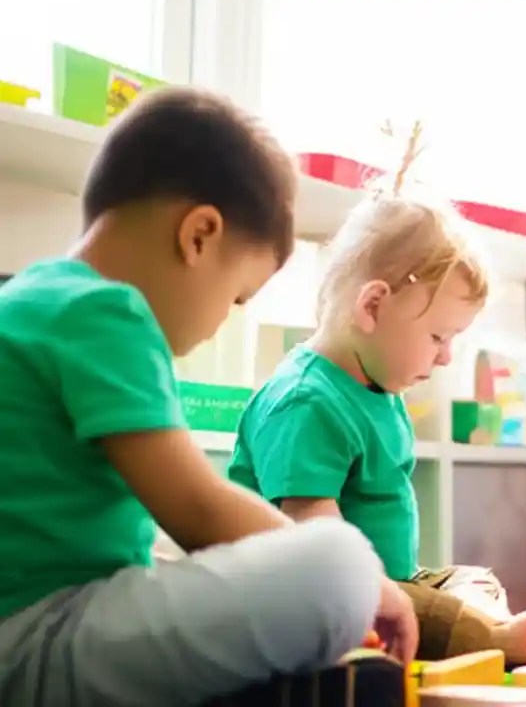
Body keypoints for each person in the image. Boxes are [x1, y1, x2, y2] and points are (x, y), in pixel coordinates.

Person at [0, 86, 417, 707]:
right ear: (199, 235)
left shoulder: (34, 298)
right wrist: (370, 584)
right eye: (238, 296)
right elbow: (196, 509)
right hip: (39, 639)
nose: (222, 321)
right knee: (337, 562)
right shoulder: (107, 313)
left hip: (38, 620)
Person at [227, 196, 526, 665]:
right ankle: (490, 642)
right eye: (438, 337)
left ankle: (480, 632)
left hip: (398, 580)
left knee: (471, 581)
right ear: (373, 305)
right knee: (429, 610)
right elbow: (317, 541)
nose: (445, 357)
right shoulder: (306, 400)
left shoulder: (378, 389)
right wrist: (386, 594)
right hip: (324, 589)